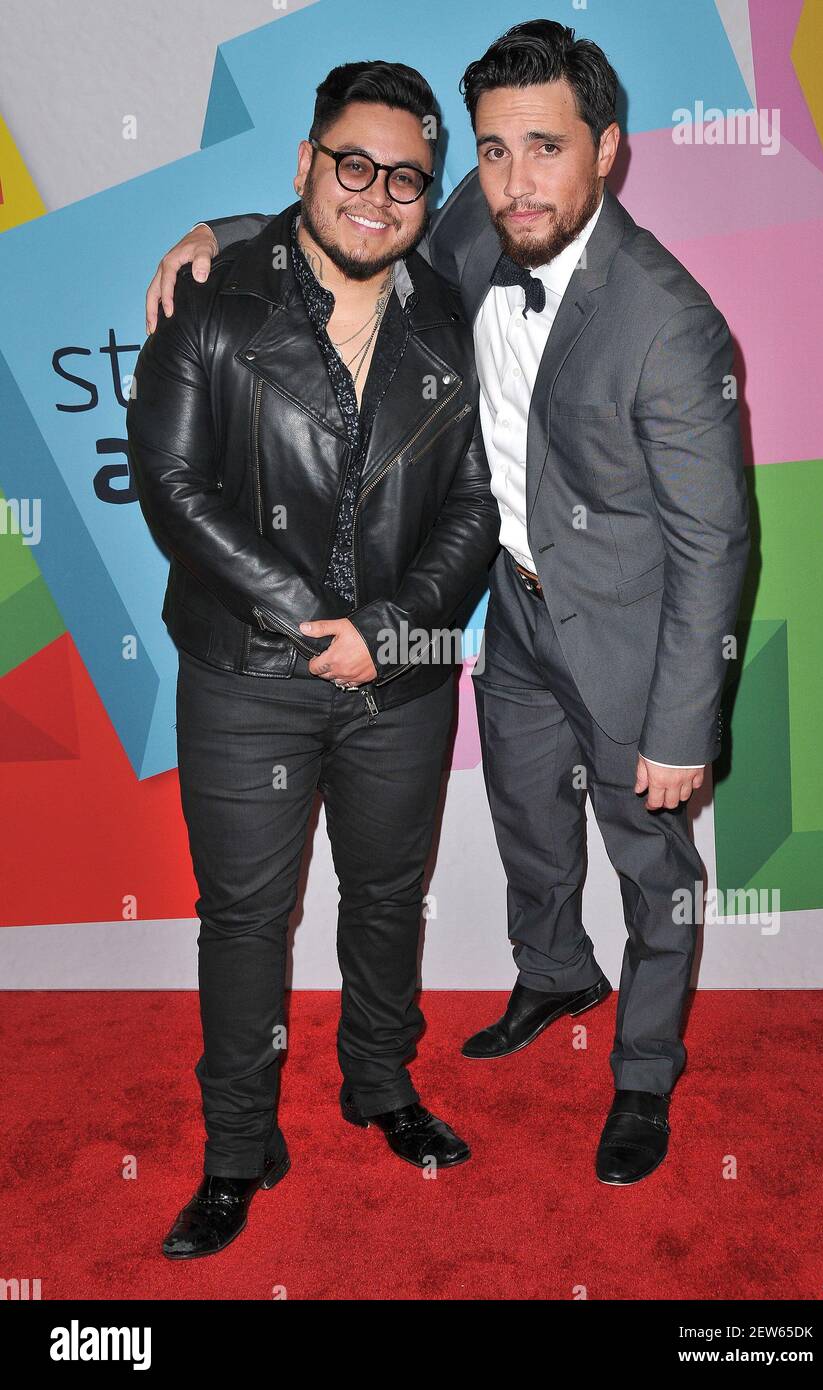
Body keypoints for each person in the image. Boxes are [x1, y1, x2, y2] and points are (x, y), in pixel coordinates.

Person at [145, 20, 750, 1186]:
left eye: (545, 150)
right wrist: (217, 235)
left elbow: (713, 538)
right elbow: (345, 211)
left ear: (606, 152)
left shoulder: (670, 325)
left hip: (627, 626)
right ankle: (550, 970)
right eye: (493, 151)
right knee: (526, 816)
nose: (516, 181)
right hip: (511, 616)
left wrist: (684, 724)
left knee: (650, 860)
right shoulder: (475, 219)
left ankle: (640, 1073)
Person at [127, 58, 500, 1259]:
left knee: (387, 898)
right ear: (303, 165)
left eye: (405, 177)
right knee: (245, 917)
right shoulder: (215, 298)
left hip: (403, 675)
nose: (375, 194)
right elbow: (175, 489)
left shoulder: (450, 311)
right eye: (353, 164)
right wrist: (309, 620)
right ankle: (238, 1148)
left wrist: (387, 635)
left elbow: (477, 507)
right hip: (245, 671)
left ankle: (379, 1084)